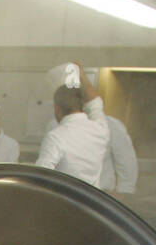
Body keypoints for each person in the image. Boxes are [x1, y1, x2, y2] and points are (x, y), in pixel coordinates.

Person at [40, 65, 137, 193]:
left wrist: (120, 200)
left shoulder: (112, 126)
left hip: (101, 196)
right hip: (65, 196)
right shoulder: (55, 126)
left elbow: (127, 169)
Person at [36, 62, 110, 187]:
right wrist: (82, 75)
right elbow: (96, 104)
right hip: (91, 204)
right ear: (81, 104)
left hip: (64, 204)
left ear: (57, 108)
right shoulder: (100, 129)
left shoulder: (55, 137)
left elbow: (40, 178)